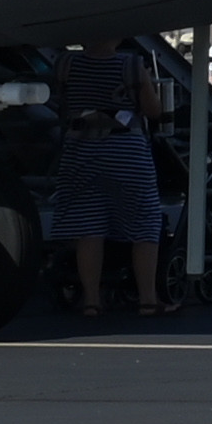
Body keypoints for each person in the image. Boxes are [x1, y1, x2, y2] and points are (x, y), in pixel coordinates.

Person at [41, 34, 169, 320]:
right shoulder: (132, 65)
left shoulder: (65, 64)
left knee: (89, 227)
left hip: (80, 148)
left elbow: (59, 101)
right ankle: (148, 299)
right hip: (126, 150)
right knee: (145, 222)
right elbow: (153, 110)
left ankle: (91, 301)